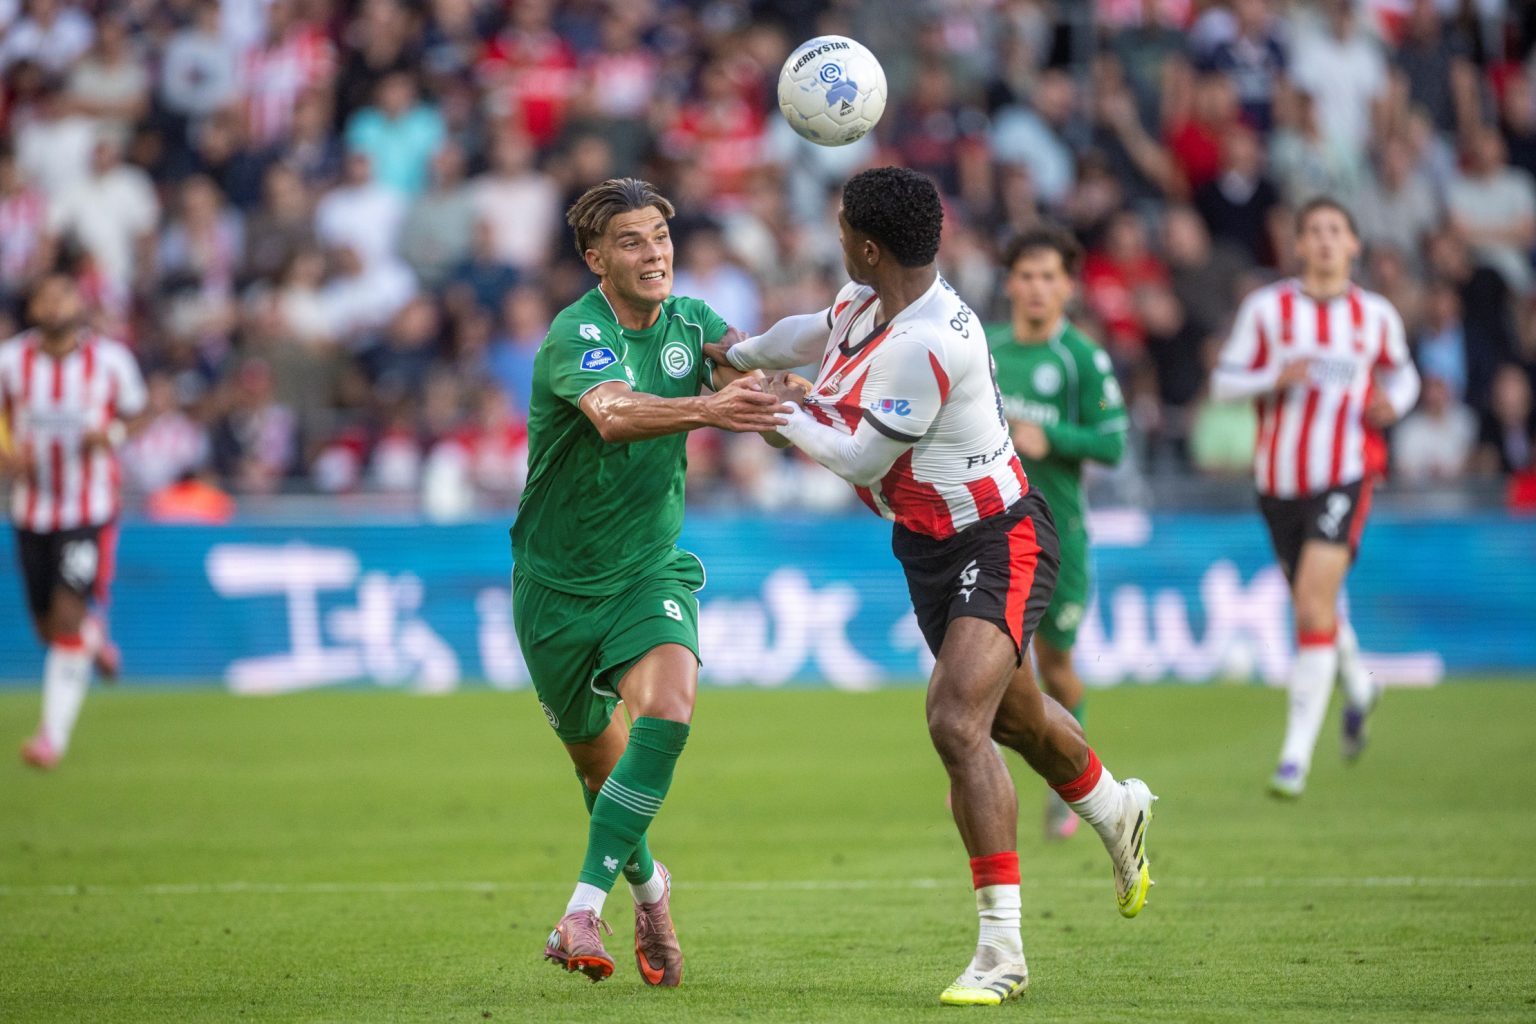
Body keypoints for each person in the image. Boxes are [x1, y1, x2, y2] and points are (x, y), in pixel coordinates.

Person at [709, 167, 1155, 1008]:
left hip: (1000, 535)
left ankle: (1002, 951)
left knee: (956, 720)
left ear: (869, 246)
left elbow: (859, 458)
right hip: (927, 547)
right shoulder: (867, 301)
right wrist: (737, 358)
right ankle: (1114, 807)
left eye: (843, 227)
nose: (836, 237)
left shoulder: (929, 341)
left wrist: (770, 413)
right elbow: (806, 333)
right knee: (1016, 720)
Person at [514, 178, 785, 987]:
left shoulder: (691, 320)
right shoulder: (576, 333)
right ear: (596, 258)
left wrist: (787, 395)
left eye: (660, 238)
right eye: (631, 242)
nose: (654, 253)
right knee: (602, 772)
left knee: (668, 708)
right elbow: (615, 413)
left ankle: (580, 910)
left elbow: (751, 363)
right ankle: (652, 888)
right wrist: (713, 412)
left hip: (647, 571)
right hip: (556, 589)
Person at [1211, 197, 1421, 798]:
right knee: (1316, 602)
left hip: (1344, 474)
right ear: (1298, 245)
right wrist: (1273, 377)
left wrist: (1395, 404)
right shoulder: (1267, 310)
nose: (1326, 241)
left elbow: (1402, 373)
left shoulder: (1374, 316)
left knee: (1309, 604)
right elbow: (1223, 382)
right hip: (1277, 482)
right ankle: (1359, 684)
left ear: (1354, 245)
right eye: (1315, 232)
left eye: (1337, 231)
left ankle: (1293, 758)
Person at [986, 226, 1129, 840]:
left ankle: (1071, 779)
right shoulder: (985, 349)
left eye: (1050, 277)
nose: (1038, 288)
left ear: (1068, 287)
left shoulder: (1082, 358)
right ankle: (980, 766)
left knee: (1057, 663)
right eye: (1027, 275)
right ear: (1010, 283)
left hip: (1060, 535)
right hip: (991, 529)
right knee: (986, 659)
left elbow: (1115, 443)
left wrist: (1054, 439)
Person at [0, 271, 147, 768]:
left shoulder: (110, 361)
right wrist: (5, 455)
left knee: (64, 615)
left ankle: (51, 739)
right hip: (30, 509)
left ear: (79, 304)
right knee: (47, 628)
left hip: (88, 509)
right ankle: (92, 638)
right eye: (44, 293)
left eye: (63, 293)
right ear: (33, 306)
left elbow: (138, 412)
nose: (53, 302)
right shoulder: (10, 362)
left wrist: (113, 436)